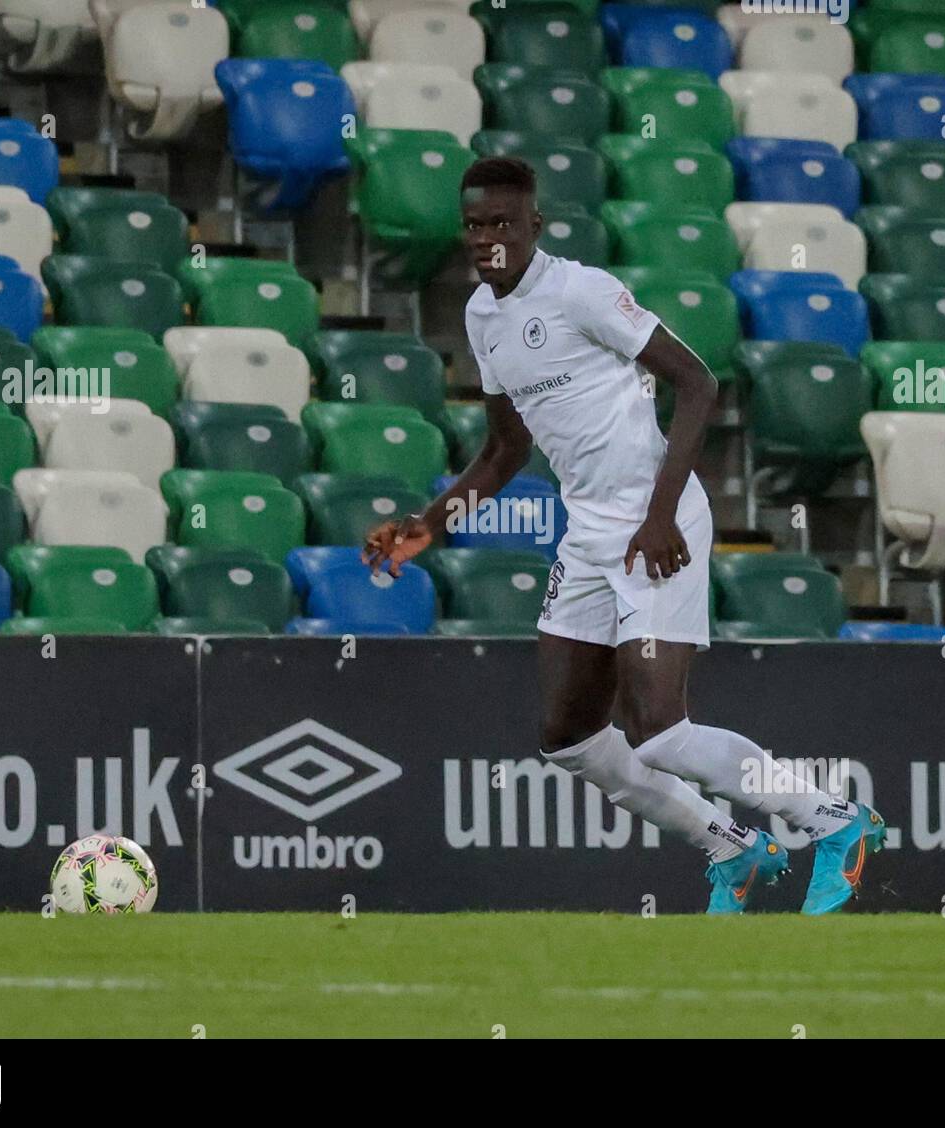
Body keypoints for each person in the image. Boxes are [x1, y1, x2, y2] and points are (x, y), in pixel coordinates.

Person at [364, 156, 885, 914]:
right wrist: (429, 524)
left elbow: (699, 382)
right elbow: (505, 451)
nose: (486, 240)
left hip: (658, 522)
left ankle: (832, 819)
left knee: (658, 731)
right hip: (591, 533)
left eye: (502, 224)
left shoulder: (580, 290)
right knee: (569, 736)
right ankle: (730, 844)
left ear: (534, 226)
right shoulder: (483, 315)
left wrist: (662, 513)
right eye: (474, 226)